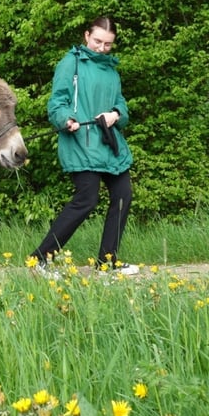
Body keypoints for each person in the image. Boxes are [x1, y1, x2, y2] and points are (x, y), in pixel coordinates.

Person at [29, 16, 139, 276]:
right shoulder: (71, 63)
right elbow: (57, 102)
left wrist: (115, 114)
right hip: (80, 142)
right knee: (87, 199)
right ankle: (40, 259)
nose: (102, 48)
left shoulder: (111, 69)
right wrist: (66, 119)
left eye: (108, 44)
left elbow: (121, 105)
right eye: (97, 41)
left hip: (109, 144)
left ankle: (107, 263)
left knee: (123, 197)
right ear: (86, 35)